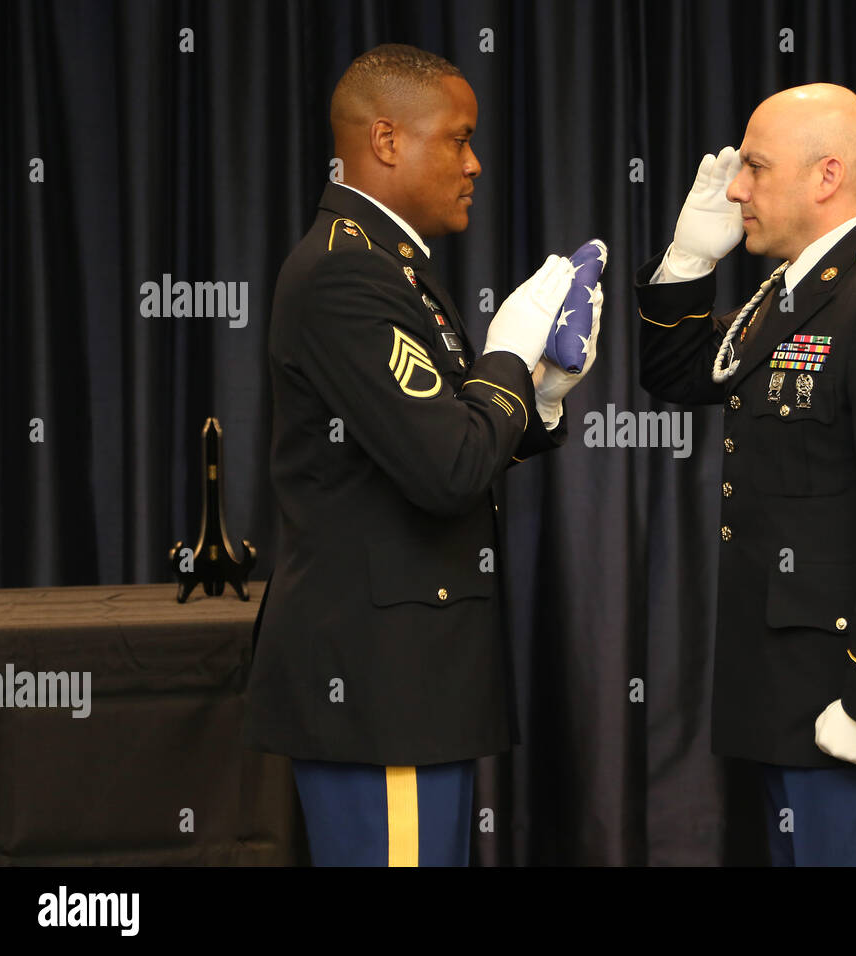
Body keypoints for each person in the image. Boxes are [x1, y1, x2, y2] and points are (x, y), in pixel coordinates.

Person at [244, 44, 599, 866]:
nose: (475, 164)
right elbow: (446, 471)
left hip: (410, 683)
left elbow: (443, 445)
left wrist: (538, 395)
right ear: (387, 140)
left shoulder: (393, 266)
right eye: (459, 138)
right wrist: (509, 354)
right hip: (380, 688)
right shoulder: (347, 275)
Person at [635, 83, 856, 866]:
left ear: (826, 177)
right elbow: (680, 371)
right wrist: (690, 260)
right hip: (793, 702)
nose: (736, 187)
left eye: (756, 168)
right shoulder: (799, 292)